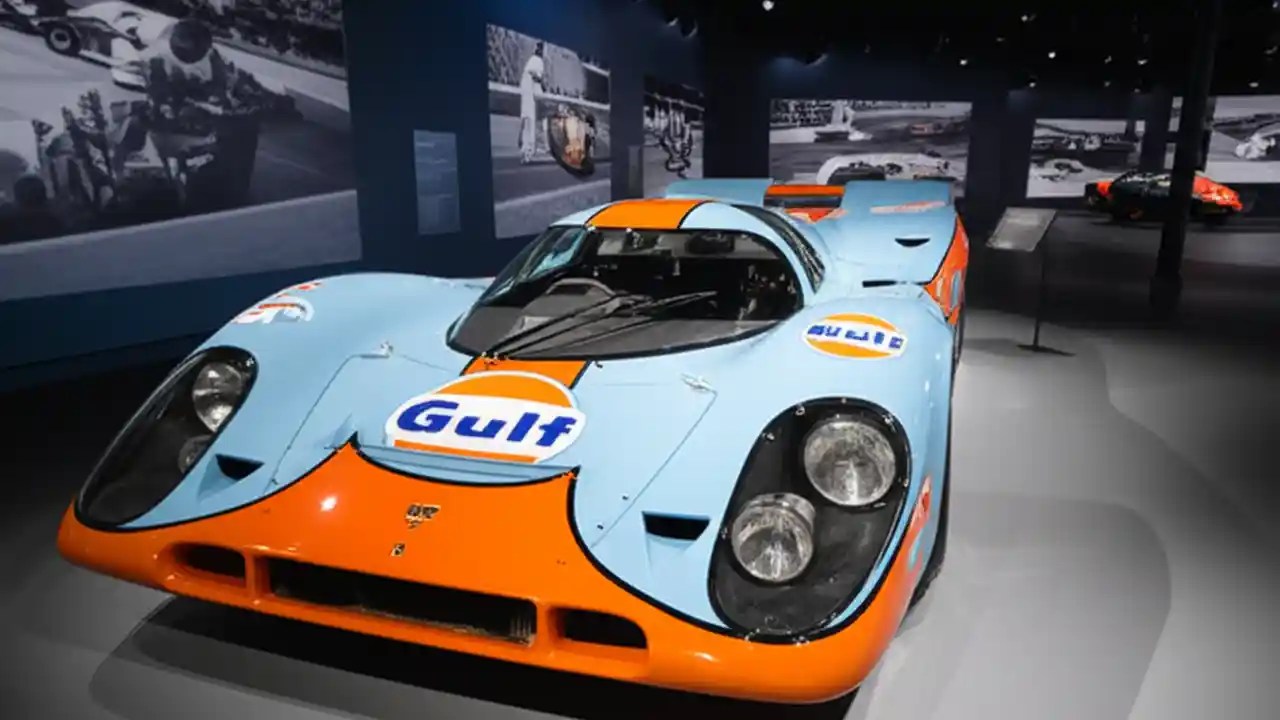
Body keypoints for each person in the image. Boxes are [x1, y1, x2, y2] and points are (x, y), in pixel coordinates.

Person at [518, 41, 546, 164]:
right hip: (529, 96)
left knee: (527, 123)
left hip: (526, 95)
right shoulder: (537, 61)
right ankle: (528, 152)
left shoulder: (531, 61)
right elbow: (536, 75)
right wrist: (542, 82)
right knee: (530, 123)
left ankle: (526, 152)